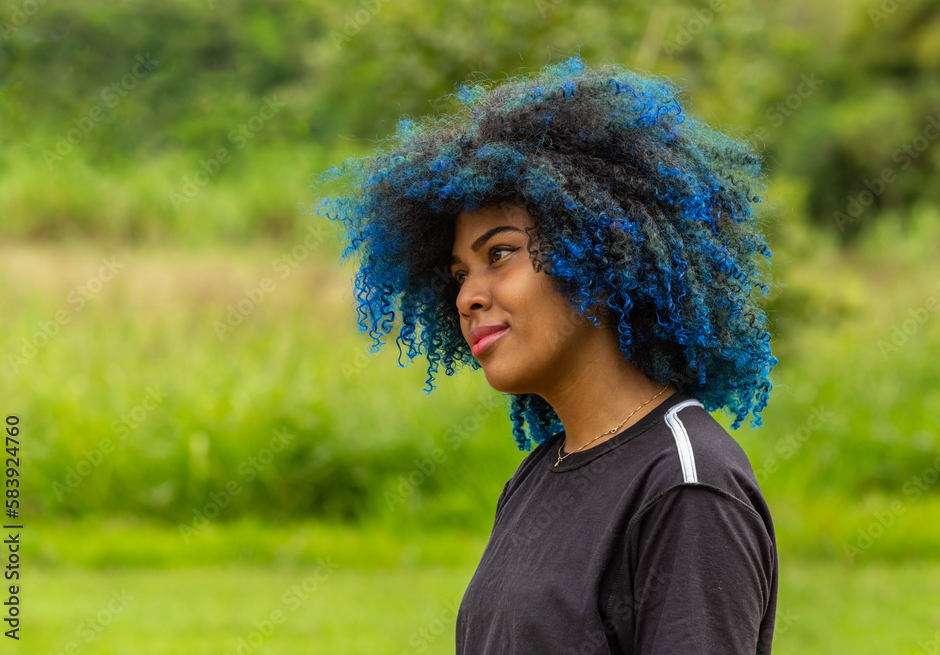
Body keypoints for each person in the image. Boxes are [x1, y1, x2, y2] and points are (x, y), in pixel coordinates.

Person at [317, 56, 779, 654]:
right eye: (459, 273)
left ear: (601, 255)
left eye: (500, 253)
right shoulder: (539, 475)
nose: (468, 296)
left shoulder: (685, 485)